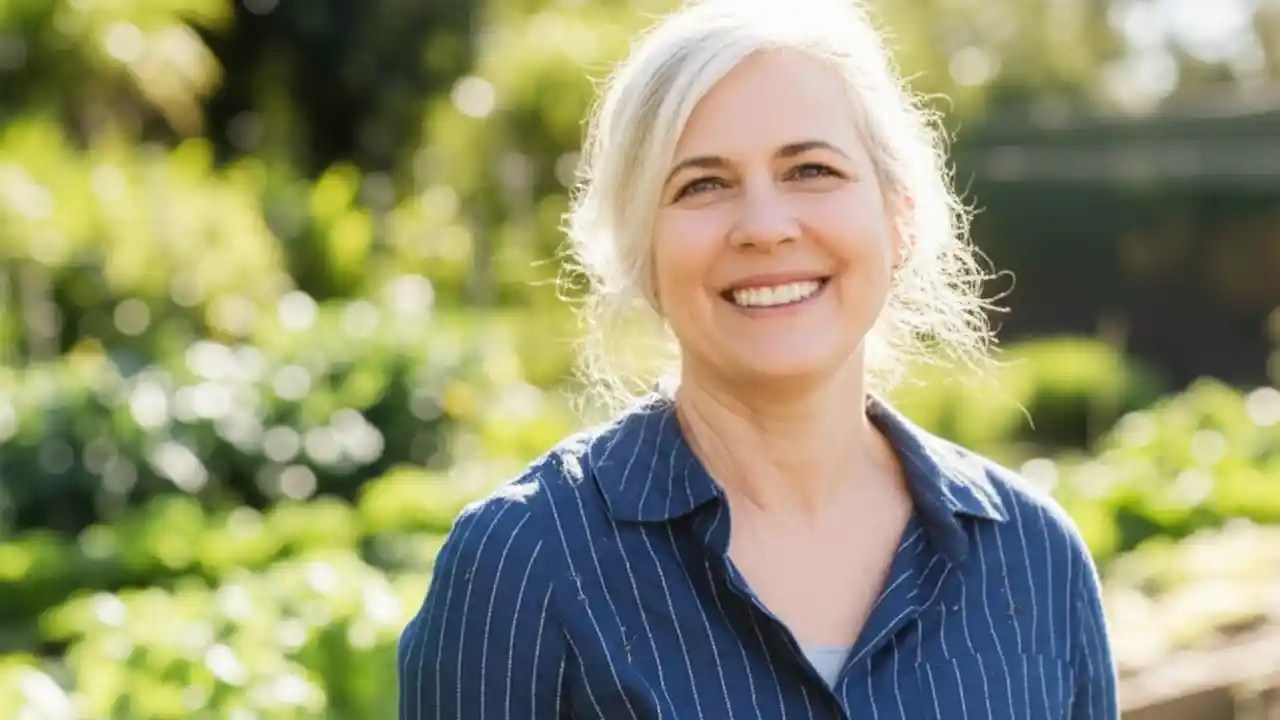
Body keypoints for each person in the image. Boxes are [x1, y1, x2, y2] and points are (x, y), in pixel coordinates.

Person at [397, 0, 1119, 717]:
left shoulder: (1035, 560)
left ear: (899, 217)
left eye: (811, 169)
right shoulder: (524, 562)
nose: (765, 228)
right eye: (702, 185)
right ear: (643, 249)